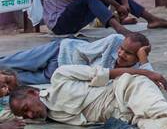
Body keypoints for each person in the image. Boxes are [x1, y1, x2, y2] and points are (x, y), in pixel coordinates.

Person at [6, 68, 167, 129]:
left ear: (33, 93)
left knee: (153, 107)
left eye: (27, 108)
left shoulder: (61, 77)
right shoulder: (44, 117)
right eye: (26, 115)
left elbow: (108, 73)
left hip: (124, 90)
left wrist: (146, 73)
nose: (30, 115)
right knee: (150, 126)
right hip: (125, 119)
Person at [0, 32, 152, 89]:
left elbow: (153, 82)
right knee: (10, 62)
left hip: (58, 75)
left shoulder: (137, 70)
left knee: (15, 80)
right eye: (122, 49)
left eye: (128, 53)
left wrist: (144, 58)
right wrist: (81, 73)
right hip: (60, 51)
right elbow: (82, 52)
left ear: (138, 57)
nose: (121, 54)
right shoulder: (114, 41)